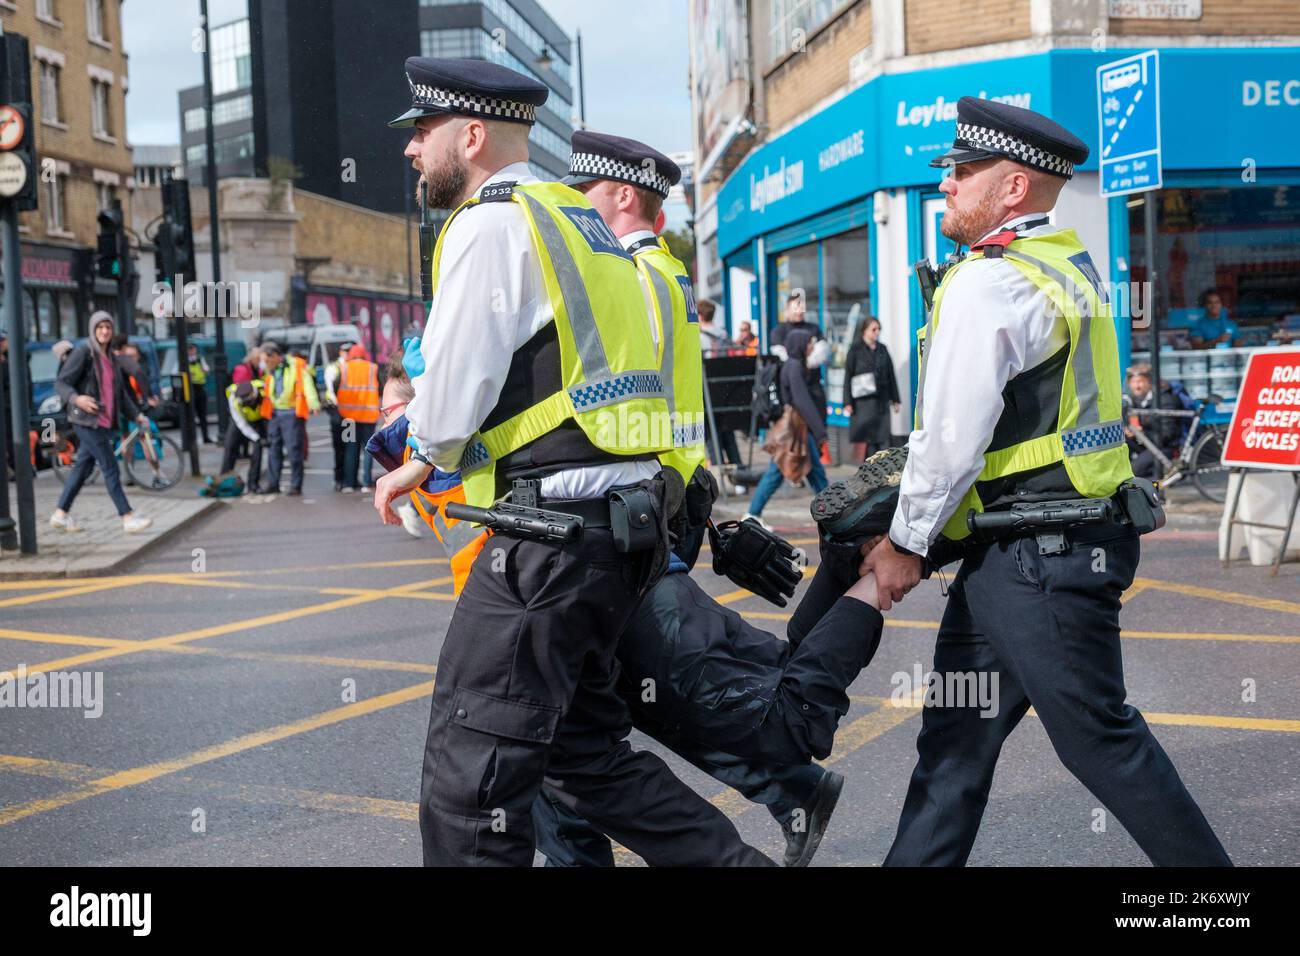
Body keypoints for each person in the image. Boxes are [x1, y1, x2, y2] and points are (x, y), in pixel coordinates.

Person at [374, 57, 771, 866]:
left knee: (468, 783)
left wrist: (417, 453)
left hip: (547, 546)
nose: (413, 150)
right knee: (578, 759)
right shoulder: (578, 222)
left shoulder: (487, 225)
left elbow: (451, 402)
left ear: (471, 134)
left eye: (423, 131)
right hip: (614, 537)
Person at [855, 96, 1229, 866]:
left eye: (961, 172)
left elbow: (950, 439)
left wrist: (904, 543)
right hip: (1033, 550)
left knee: (1101, 741)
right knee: (956, 741)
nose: (947, 186)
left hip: (1039, 556)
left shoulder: (991, 282)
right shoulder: (1067, 263)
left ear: (1014, 186)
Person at [562, 129, 709, 560]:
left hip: (654, 482)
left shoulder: (632, 274)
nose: (577, 200)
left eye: (586, 189)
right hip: (677, 474)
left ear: (624, 196)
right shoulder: (667, 267)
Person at [49, 312, 152, 534]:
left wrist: (136, 415)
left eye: (108, 327)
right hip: (85, 421)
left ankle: (60, 514)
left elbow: (121, 394)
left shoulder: (112, 359)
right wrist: (78, 399)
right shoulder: (84, 353)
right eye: (100, 327)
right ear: (93, 330)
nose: (104, 331)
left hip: (103, 422)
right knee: (110, 467)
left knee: (82, 469)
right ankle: (127, 516)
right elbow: (62, 383)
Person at [744, 327, 830, 525]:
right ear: (799, 345)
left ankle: (830, 511)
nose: (811, 346)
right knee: (787, 472)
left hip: (795, 428)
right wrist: (820, 432)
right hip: (795, 429)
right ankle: (832, 511)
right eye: (809, 343)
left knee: (810, 472)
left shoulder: (793, 365)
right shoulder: (794, 367)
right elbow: (802, 400)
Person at [258, 342, 319, 496]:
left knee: (294, 451)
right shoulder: (271, 370)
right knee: (273, 449)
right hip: (274, 413)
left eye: (267, 360)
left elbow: (308, 386)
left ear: (276, 356)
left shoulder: (297, 366)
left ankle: (295, 485)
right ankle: (273, 483)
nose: (265, 364)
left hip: (291, 413)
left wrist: (314, 403)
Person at [844, 316, 901, 462]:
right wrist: (847, 403)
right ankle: (868, 471)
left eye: (879, 329)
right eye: (874, 329)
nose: (877, 332)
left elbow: (891, 374)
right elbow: (848, 377)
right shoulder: (855, 350)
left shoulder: (882, 349)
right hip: (863, 403)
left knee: (883, 437)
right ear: (865, 330)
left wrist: (895, 399)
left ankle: (882, 471)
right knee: (868, 438)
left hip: (881, 400)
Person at [1123, 363, 1183, 481]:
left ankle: (1156, 491)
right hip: (1146, 444)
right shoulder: (1135, 399)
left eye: (1140, 381)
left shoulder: (1164, 399)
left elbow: (1168, 434)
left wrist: (1143, 432)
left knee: (1132, 471)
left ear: (1149, 382)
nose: (1136, 386)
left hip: (1163, 447)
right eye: (1133, 382)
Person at [335, 342, 380, 493]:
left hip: (348, 417)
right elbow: (380, 387)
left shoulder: (344, 368)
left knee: (350, 449)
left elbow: (335, 387)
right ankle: (367, 483)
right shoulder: (372, 367)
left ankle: (349, 483)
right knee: (368, 450)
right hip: (368, 416)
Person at [323, 343, 354, 492]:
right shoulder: (333, 367)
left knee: (350, 445)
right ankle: (339, 479)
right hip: (337, 411)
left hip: (350, 413)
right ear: (341, 352)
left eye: (350, 351)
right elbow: (331, 390)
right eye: (346, 351)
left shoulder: (353, 367)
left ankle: (350, 479)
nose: (348, 354)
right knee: (339, 447)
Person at [186, 343, 213, 444]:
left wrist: (204, 370)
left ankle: (206, 437)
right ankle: (191, 439)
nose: (192, 351)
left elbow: (207, 370)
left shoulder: (200, 359)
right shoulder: (183, 360)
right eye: (190, 349)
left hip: (200, 389)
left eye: (193, 349)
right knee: (190, 416)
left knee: (203, 416)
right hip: (190, 389)